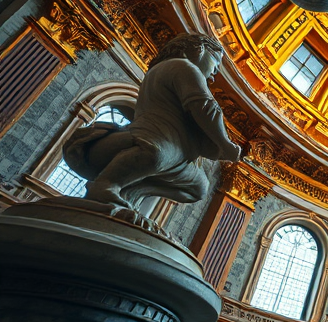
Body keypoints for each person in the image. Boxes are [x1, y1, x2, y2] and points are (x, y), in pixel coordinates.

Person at [63, 33, 242, 209]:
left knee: (199, 188)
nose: (213, 75)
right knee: (156, 154)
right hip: (149, 142)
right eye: (215, 65)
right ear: (198, 50)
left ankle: (132, 191)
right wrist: (225, 144)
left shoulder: (178, 70)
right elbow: (205, 108)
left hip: (174, 154)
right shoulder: (181, 66)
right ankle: (104, 185)